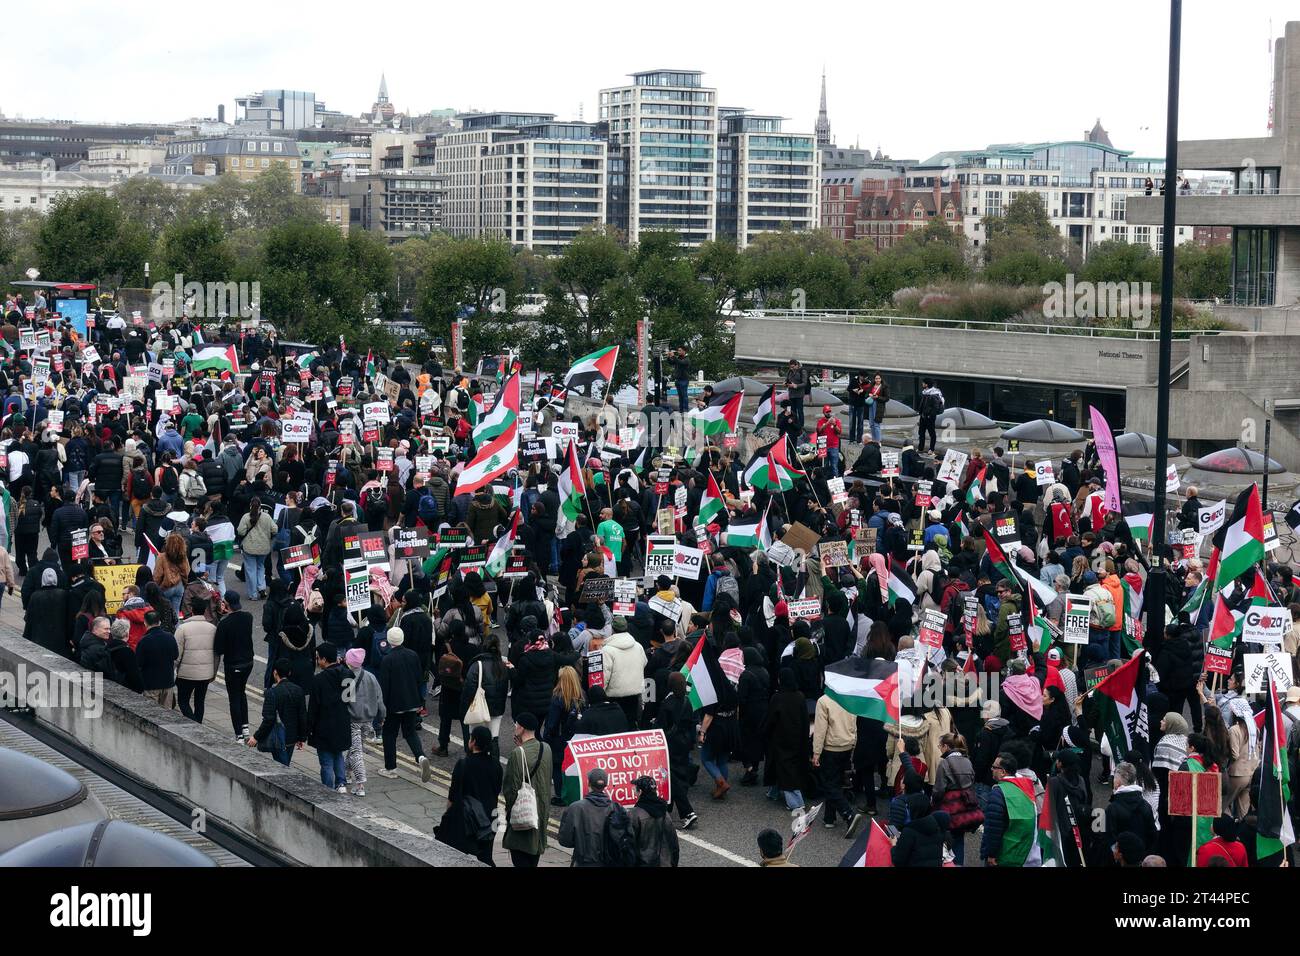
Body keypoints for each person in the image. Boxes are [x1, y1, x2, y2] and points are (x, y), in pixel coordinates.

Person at [437, 725, 503, 866]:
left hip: (467, 820)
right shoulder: (496, 765)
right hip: (490, 818)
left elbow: (453, 795)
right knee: (486, 858)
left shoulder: (463, 764)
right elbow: (496, 790)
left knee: (457, 855)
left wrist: (448, 814)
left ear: (473, 742)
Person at [378, 627, 433, 782]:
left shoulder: (387, 659)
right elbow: (419, 679)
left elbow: (384, 686)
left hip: (394, 705)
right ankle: (421, 757)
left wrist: (383, 709)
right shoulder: (412, 655)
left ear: (389, 641)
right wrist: (420, 701)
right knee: (410, 733)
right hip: (412, 701)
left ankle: (391, 768)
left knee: (389, 734)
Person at [502, 713, 553, 868]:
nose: (515, 727)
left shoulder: (517, 754)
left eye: (516, 724)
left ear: (521, 728)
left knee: (521, 859)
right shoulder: (546, 748)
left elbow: (511, 789)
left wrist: (509, 811)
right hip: (541, 813)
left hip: (523, 818)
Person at [813, 692, 863, 835]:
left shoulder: (823, 701)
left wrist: (816, 752)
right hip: (847, 745)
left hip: (831, 748)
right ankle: (829, 818)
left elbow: (820, 729)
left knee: (829, 784)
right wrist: (854, 743)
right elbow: (854, 724)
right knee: (837, 782)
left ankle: (848, 814)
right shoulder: (850, 698)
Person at [308, 642, 353, 794]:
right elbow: (349, 699)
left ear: (324, 659)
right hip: (342, 721)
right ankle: (341, 783)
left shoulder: (318, 680)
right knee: (338, 754)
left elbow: (313, 708)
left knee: (326, 760)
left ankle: (327, 789)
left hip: (324, 724)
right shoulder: (347, 675)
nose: (317, 661)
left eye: (318, 658)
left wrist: (308, 729)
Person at [248, 658, 309, 767]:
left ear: (275, 672)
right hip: (292, 737)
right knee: (285, 764)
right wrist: (302, 737)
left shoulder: (272, 693)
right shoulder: (298, 690)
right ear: (289, 672)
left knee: (283, 768)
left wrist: (256, 737)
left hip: (278, 738)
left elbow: (268, 720)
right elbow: (302, 716)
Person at [980, 751, 1037, 867]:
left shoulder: (998, 792)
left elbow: (994, 828)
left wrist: (991, 854)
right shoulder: (1024, 788)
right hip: (1020, 853)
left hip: (1001, 855)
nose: (991, 769)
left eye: (994, 767)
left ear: (1003, 772)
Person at [343, 647, 384, 797]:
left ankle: (360, 784)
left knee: (356, 751)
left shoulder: (347, 678)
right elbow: (380, 699)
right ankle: (345, 773)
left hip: (353, 719)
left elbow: (345, 701)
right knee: (354, 748)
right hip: (369, 720)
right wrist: (382, 717)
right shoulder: (371, 677)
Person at [213, 591, 254, 741]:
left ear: (227, 604)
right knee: (242, 693)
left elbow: (219, 649)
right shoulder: (248, 617)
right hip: (248, 662)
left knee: (234, 698)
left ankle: (239, 735)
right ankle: (246, 727)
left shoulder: (224, 624)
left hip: (233, 664)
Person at [558, 767, 616, 867]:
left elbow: (565, 840)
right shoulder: (616, 808)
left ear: (588, 783)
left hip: (583, 862)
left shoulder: (575, 808)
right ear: (605, 785)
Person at [174, 597, 217, 723]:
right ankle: (198, 724)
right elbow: (215, 653)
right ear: (204, 611)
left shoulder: (183, 629)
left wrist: (174, 670)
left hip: (187, 674)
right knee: (200, 702)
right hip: (205, 673)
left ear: (191, 610)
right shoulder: (212, 628)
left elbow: (177, 654)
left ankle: (194, 726)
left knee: (183, 702)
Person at [627, 775, 679, 867]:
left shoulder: (634, 815)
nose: (634, 792)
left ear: (640, 792)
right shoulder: (665, 813)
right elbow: (674, 845)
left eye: (635, 789)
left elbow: (628, 847)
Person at [135, 609, 179, 710]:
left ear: (145, 622)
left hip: (151, 684)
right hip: (168, 683)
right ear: (159, 622)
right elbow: (175, 655)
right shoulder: (170, 637)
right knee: (167, 715)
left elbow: (139, 663)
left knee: (151, 715)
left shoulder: (144, 641)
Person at [237, 496, 277, 600]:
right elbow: (275, 529)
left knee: (251, 570)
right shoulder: (267, 517)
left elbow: (240, 531)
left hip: (249, 547)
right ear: (260, 506)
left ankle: (253, 594)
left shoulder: (246, 517)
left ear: (250, 505)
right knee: (260, 567)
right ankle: (262, 588)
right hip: (264, 548)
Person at [814, 405, 843, 477]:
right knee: (824, 466)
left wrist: (834, 424)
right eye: (827, 412)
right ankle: (824, 481)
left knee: (834, 466)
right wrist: (827, 423)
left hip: (834, 446)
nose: (829, 413)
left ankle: (835, 482)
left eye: (829, 411)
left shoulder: (836, 421)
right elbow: (819, 431)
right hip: (823, 446)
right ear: (824, 413)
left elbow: (839, 432)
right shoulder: (820, 421)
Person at [917, 378, 944, 453]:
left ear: (926, 384)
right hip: (923, 416)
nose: (922, 384)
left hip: (930, 417)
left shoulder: (934, 394)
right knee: (921, 432)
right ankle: (920, 448)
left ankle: (931, 449)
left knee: (931, 433)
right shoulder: (925, 393)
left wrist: (930, 415)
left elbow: (935, 407)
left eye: (923, 383)